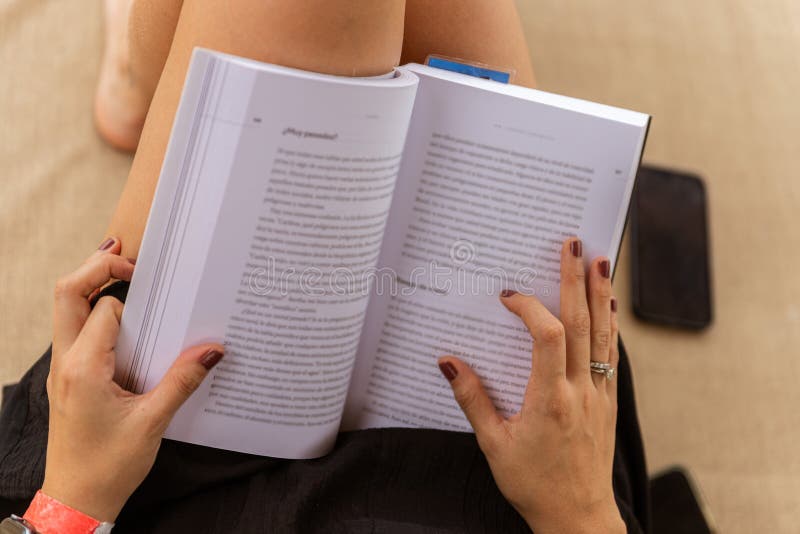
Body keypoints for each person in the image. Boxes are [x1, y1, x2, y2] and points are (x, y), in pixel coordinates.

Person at [0, 1, 649, 532]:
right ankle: (149, 86)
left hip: (152, 475)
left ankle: (144, 86)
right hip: (502, 479)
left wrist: (74, 501)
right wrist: (580, 513)